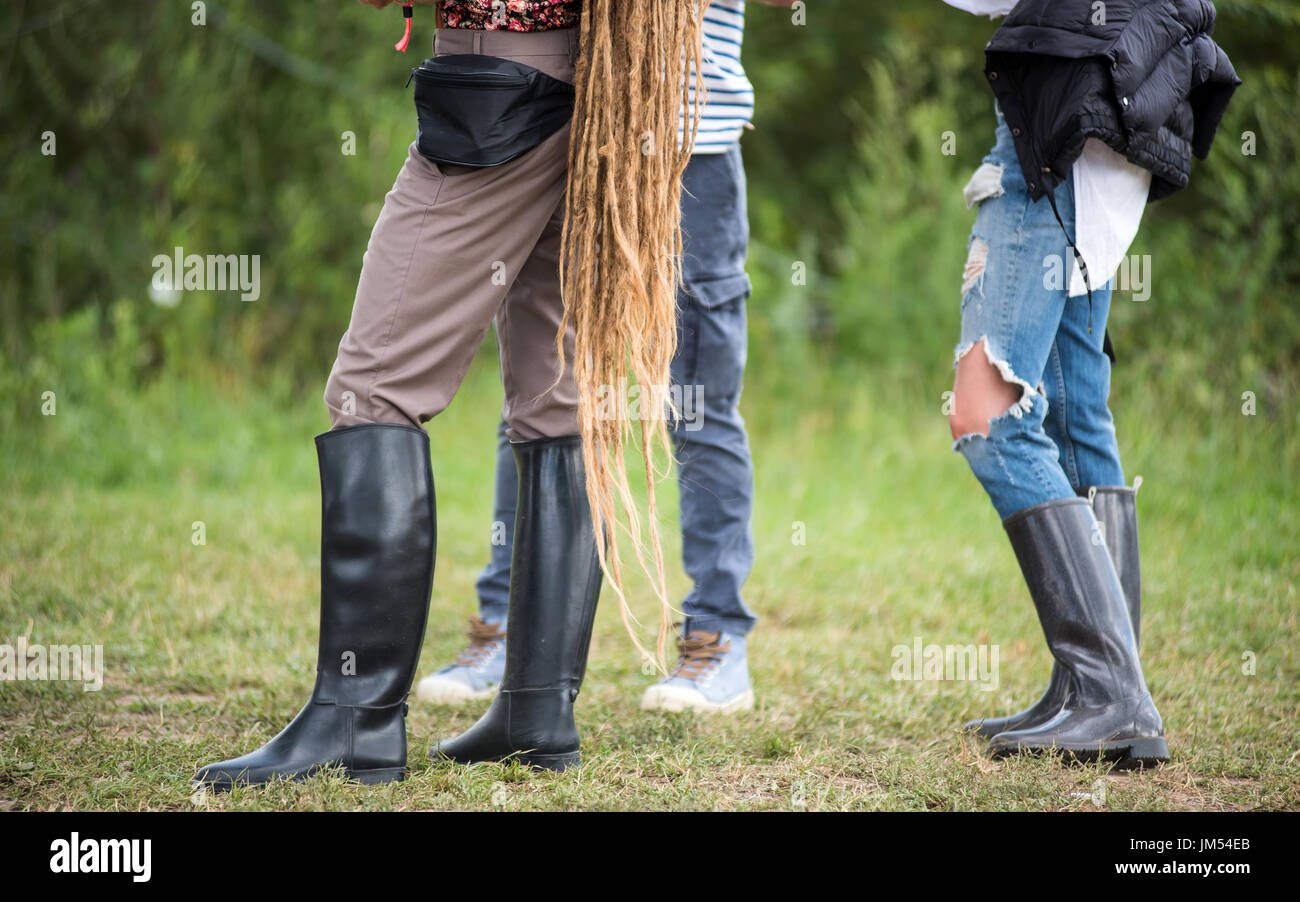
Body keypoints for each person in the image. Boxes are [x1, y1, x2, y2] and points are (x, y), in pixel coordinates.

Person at [193, 0, 704, 786]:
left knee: (375, 388)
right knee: (557, 402)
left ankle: (355, 721)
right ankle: (537, 712)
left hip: (504, 83)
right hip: (605, 91)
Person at [417, 0, 790, 716]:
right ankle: (509, 629)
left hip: (693, 151)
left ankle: (717, 641)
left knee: (699, 406)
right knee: (539, 394)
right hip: (564, 132)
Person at [942, 0, 1239, 765]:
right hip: (1104, 130)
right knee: (1075, 414)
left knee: (990, 415)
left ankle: (1109, 693)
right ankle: (1095, 690)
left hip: (1067, 130)